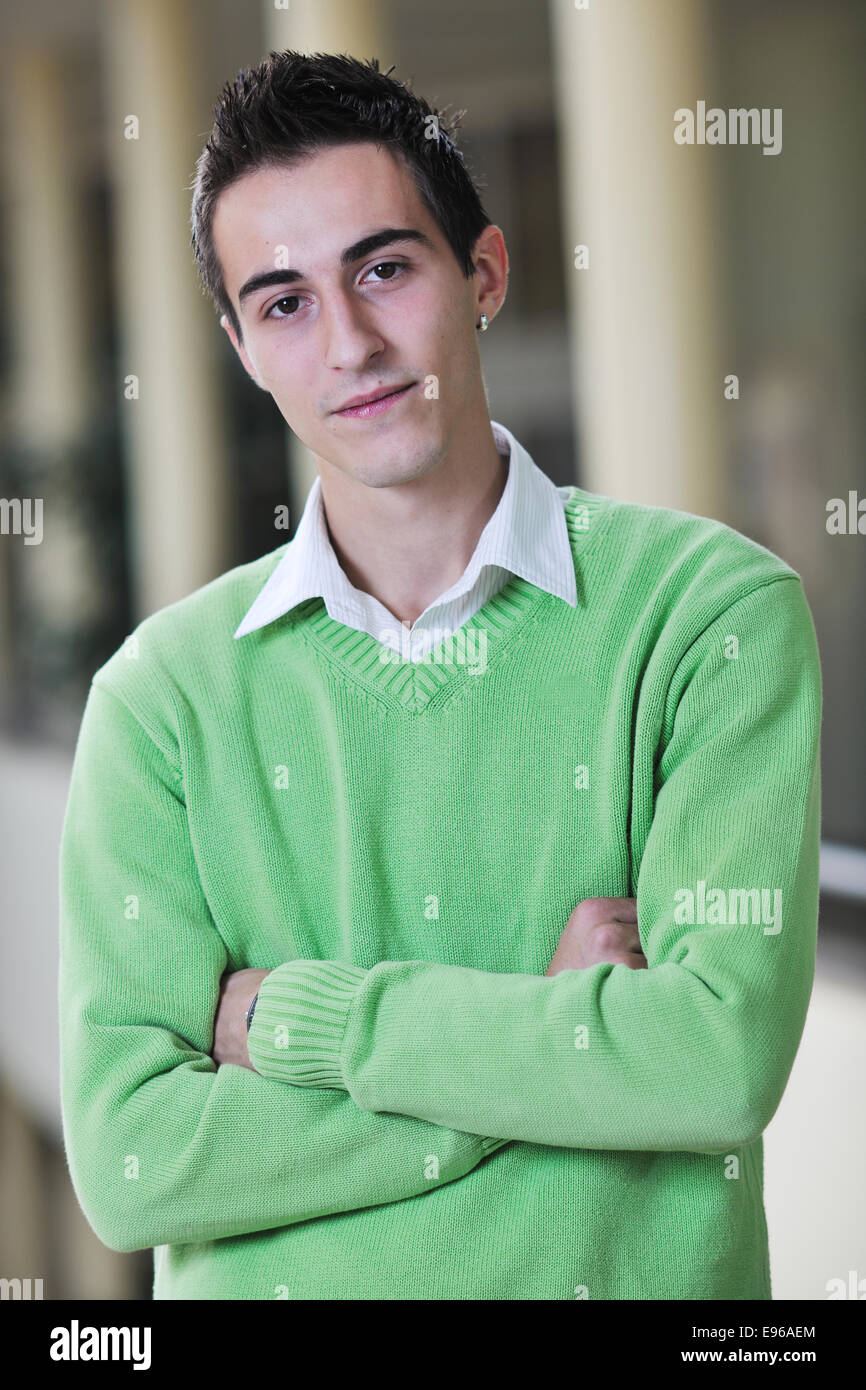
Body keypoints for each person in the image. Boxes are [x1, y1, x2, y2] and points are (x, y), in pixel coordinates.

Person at [58, 51, 822, 1300]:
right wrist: (544, 1036)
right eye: (285, 302)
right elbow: (136, 1161)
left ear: (483, 274)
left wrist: (308, 1029)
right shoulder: (160, 702)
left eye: (383, 268)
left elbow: (711, 1061)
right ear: (243, 347)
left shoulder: (710, 617)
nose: (349, 343)